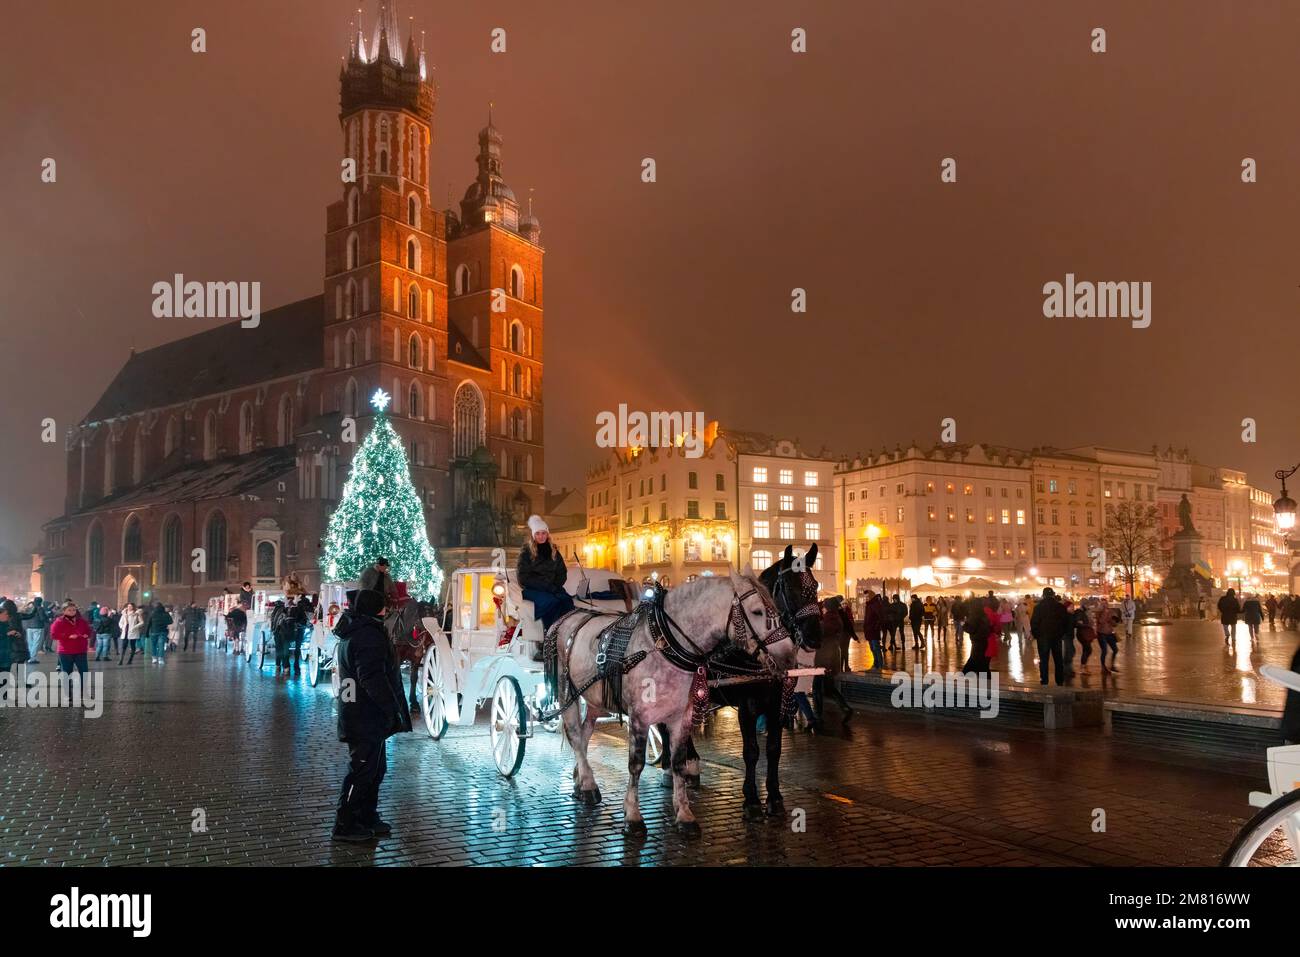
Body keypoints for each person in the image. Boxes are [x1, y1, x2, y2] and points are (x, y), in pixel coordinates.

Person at [333, 588, 412, 842]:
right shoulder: (367, 635)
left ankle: (366, 815)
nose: (386, 610)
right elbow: (372, 678)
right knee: (362, 770)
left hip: (362, 713)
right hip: (363, 714)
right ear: (376, 609)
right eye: (383, 606)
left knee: (375, 769)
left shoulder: (361, 631)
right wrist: (391, 709)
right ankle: (344, 824)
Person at [516, 515, 574, 630]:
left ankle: (563, 631)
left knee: (566, 601)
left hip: (552, 587)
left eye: (543, 533)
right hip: (533, 589)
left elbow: (562, 572)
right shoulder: (526, 552)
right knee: (550, 602)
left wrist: (555, 586)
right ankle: (548, 632)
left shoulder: (553, 551)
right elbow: (523, 577)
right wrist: (546, 586)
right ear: (533, 535)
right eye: (538, 533)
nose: (541, 536)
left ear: (547, 534)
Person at [1030, 587, 1070, 686]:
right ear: (1053, 595)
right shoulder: (1060, 607)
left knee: (1043, 660)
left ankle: (1044, 681)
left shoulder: (1038, 607)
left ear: (1043, 595)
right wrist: (1062, 633)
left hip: (1043, 637)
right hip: (1057, 637)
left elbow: (1034, 623)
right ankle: (1059, 680)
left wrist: (1037, 635)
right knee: (1058, 659)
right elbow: (1066, 622)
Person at [50, 600, 93, 679]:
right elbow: (54, 635)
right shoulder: (59, 622)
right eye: (69, 610)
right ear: (64, 611)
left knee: (84, 672)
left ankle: (83, 690)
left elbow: (89, 631)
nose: (72, 612)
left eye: (74, 610)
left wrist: (86, 635)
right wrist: (67, 636)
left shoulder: (81, 621)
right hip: (65, 651)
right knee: (67, 673)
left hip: (81, 650)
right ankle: (67, 691)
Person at [861, 589, 885, 670]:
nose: (866, 598)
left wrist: (876, 626)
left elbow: (881, 617)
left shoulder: (875, 604)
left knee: (876, 648)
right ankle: (876, 664)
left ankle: (880, 665)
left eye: (867, 596)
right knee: (872, 648)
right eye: (865, 597)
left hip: (873, 630)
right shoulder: (869, 604)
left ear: (871, 596)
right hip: (869, 630)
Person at [1095, 600, 1120, 674]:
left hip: (1110, 633)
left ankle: (1112, 665)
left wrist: (1113, 621)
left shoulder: (1111, 611)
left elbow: (1115, 624)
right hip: (1101, 633)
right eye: (1103, 604)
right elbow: (1101, 621)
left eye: (1106, 603)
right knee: (1104, 651)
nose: (1105, 605)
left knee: (1115, 650)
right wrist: (1105, 614)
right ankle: (1103, 667)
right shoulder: (1098, 613)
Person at [146, 600, 172, 664]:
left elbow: (149, 623)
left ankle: (154, 658)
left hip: (153, 631)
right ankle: (160, 659)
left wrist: (146, 632)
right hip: (163, 631)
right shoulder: (166, 613)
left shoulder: (152, 613)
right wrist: (164, 623)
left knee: (153, 645)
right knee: (161, 645)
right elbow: (171, 621)